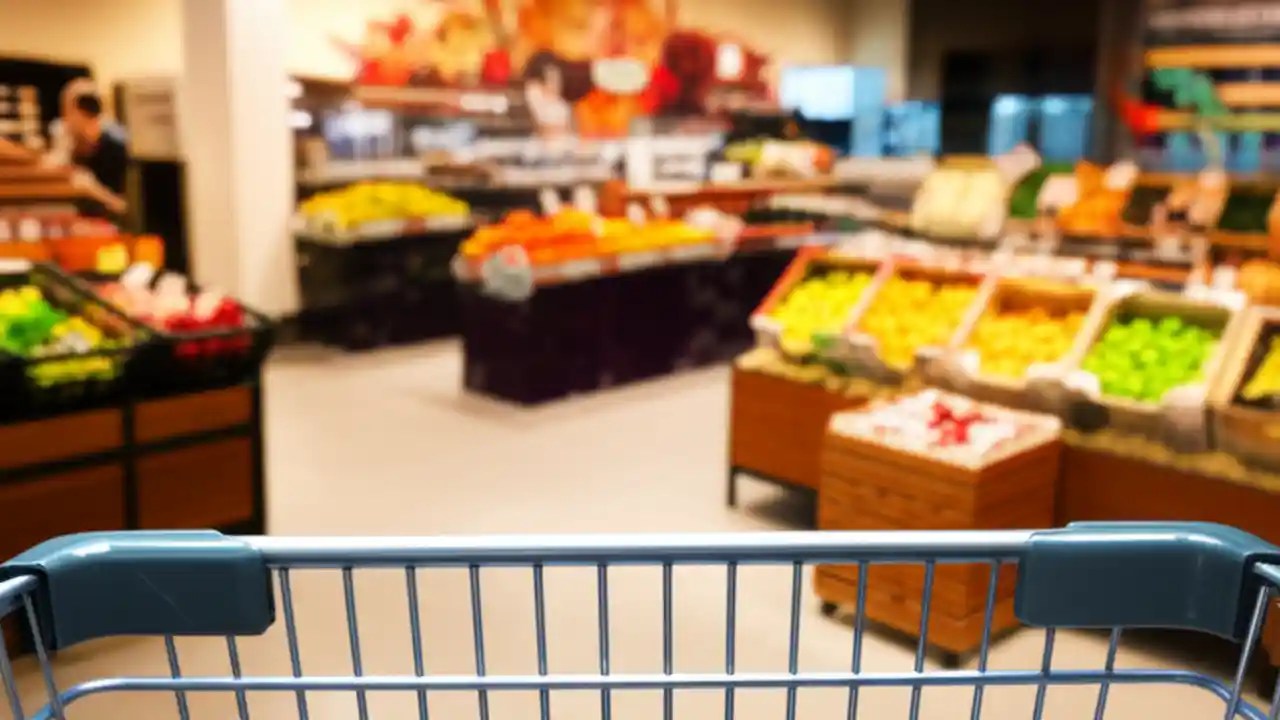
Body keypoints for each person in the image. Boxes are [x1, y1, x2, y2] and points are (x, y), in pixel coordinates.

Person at [50, 82, 129, 219]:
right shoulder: (69, 143)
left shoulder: (115, 147)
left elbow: (126, 207)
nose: (65, 120)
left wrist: (94, 190)